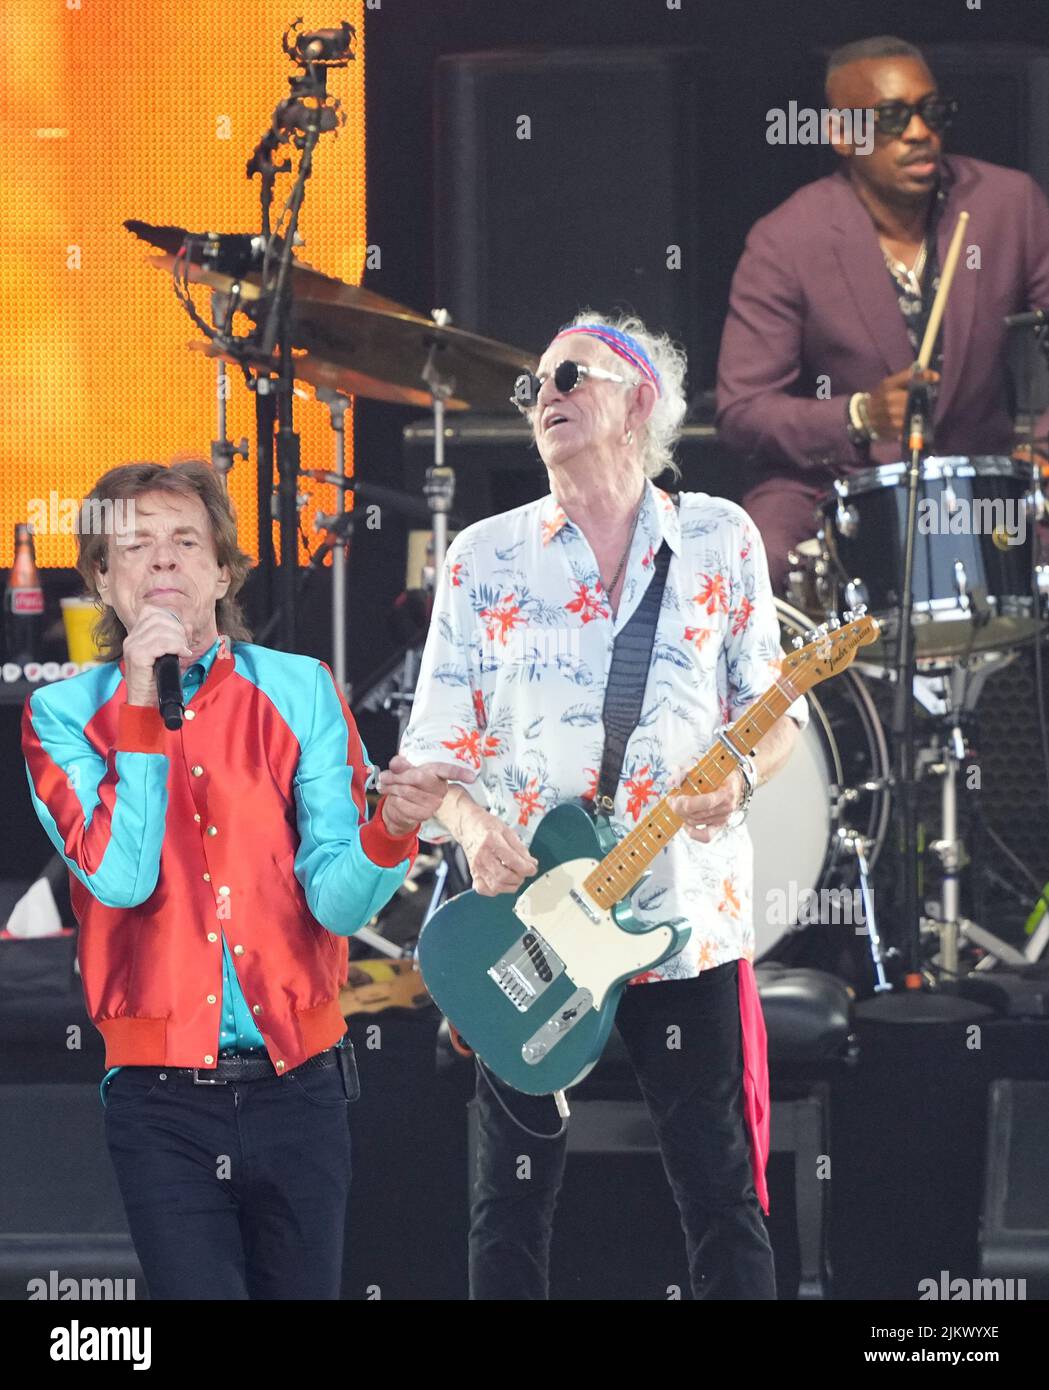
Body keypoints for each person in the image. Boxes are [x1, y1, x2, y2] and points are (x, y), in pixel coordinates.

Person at [394, 312, 807, 1299]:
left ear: (640, 401)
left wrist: (737, 781)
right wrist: (470, 828)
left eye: (569, 375)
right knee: (510, 1199)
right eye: (532, 387)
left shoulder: (718, 536)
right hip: (530, 920)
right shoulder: (480, 559)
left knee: (719, 1192)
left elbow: (771, 714)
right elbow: (420, 767)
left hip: (684, 916)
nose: (546, 396)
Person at [21, 460, 470, 1300]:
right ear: (102, 581)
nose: (162, 562)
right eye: (136, 546)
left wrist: (391, 831)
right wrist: (146, 710)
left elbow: (333, 899)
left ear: (222, 572)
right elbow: (118, 877)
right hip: (160, 1102)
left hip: (300, 1082)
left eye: (185, 541)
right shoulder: (62, 714)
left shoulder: (298, 690)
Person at [716, 34, 1049, 591]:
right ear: (842, 134)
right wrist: (859, 416)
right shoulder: (786, 239)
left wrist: (1040, 453)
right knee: (754, 556)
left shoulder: (1007, 204)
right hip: (837, 483)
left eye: (931, 112)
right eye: (892, 118)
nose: (920, 133)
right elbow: (743, 413)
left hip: (981, 479)